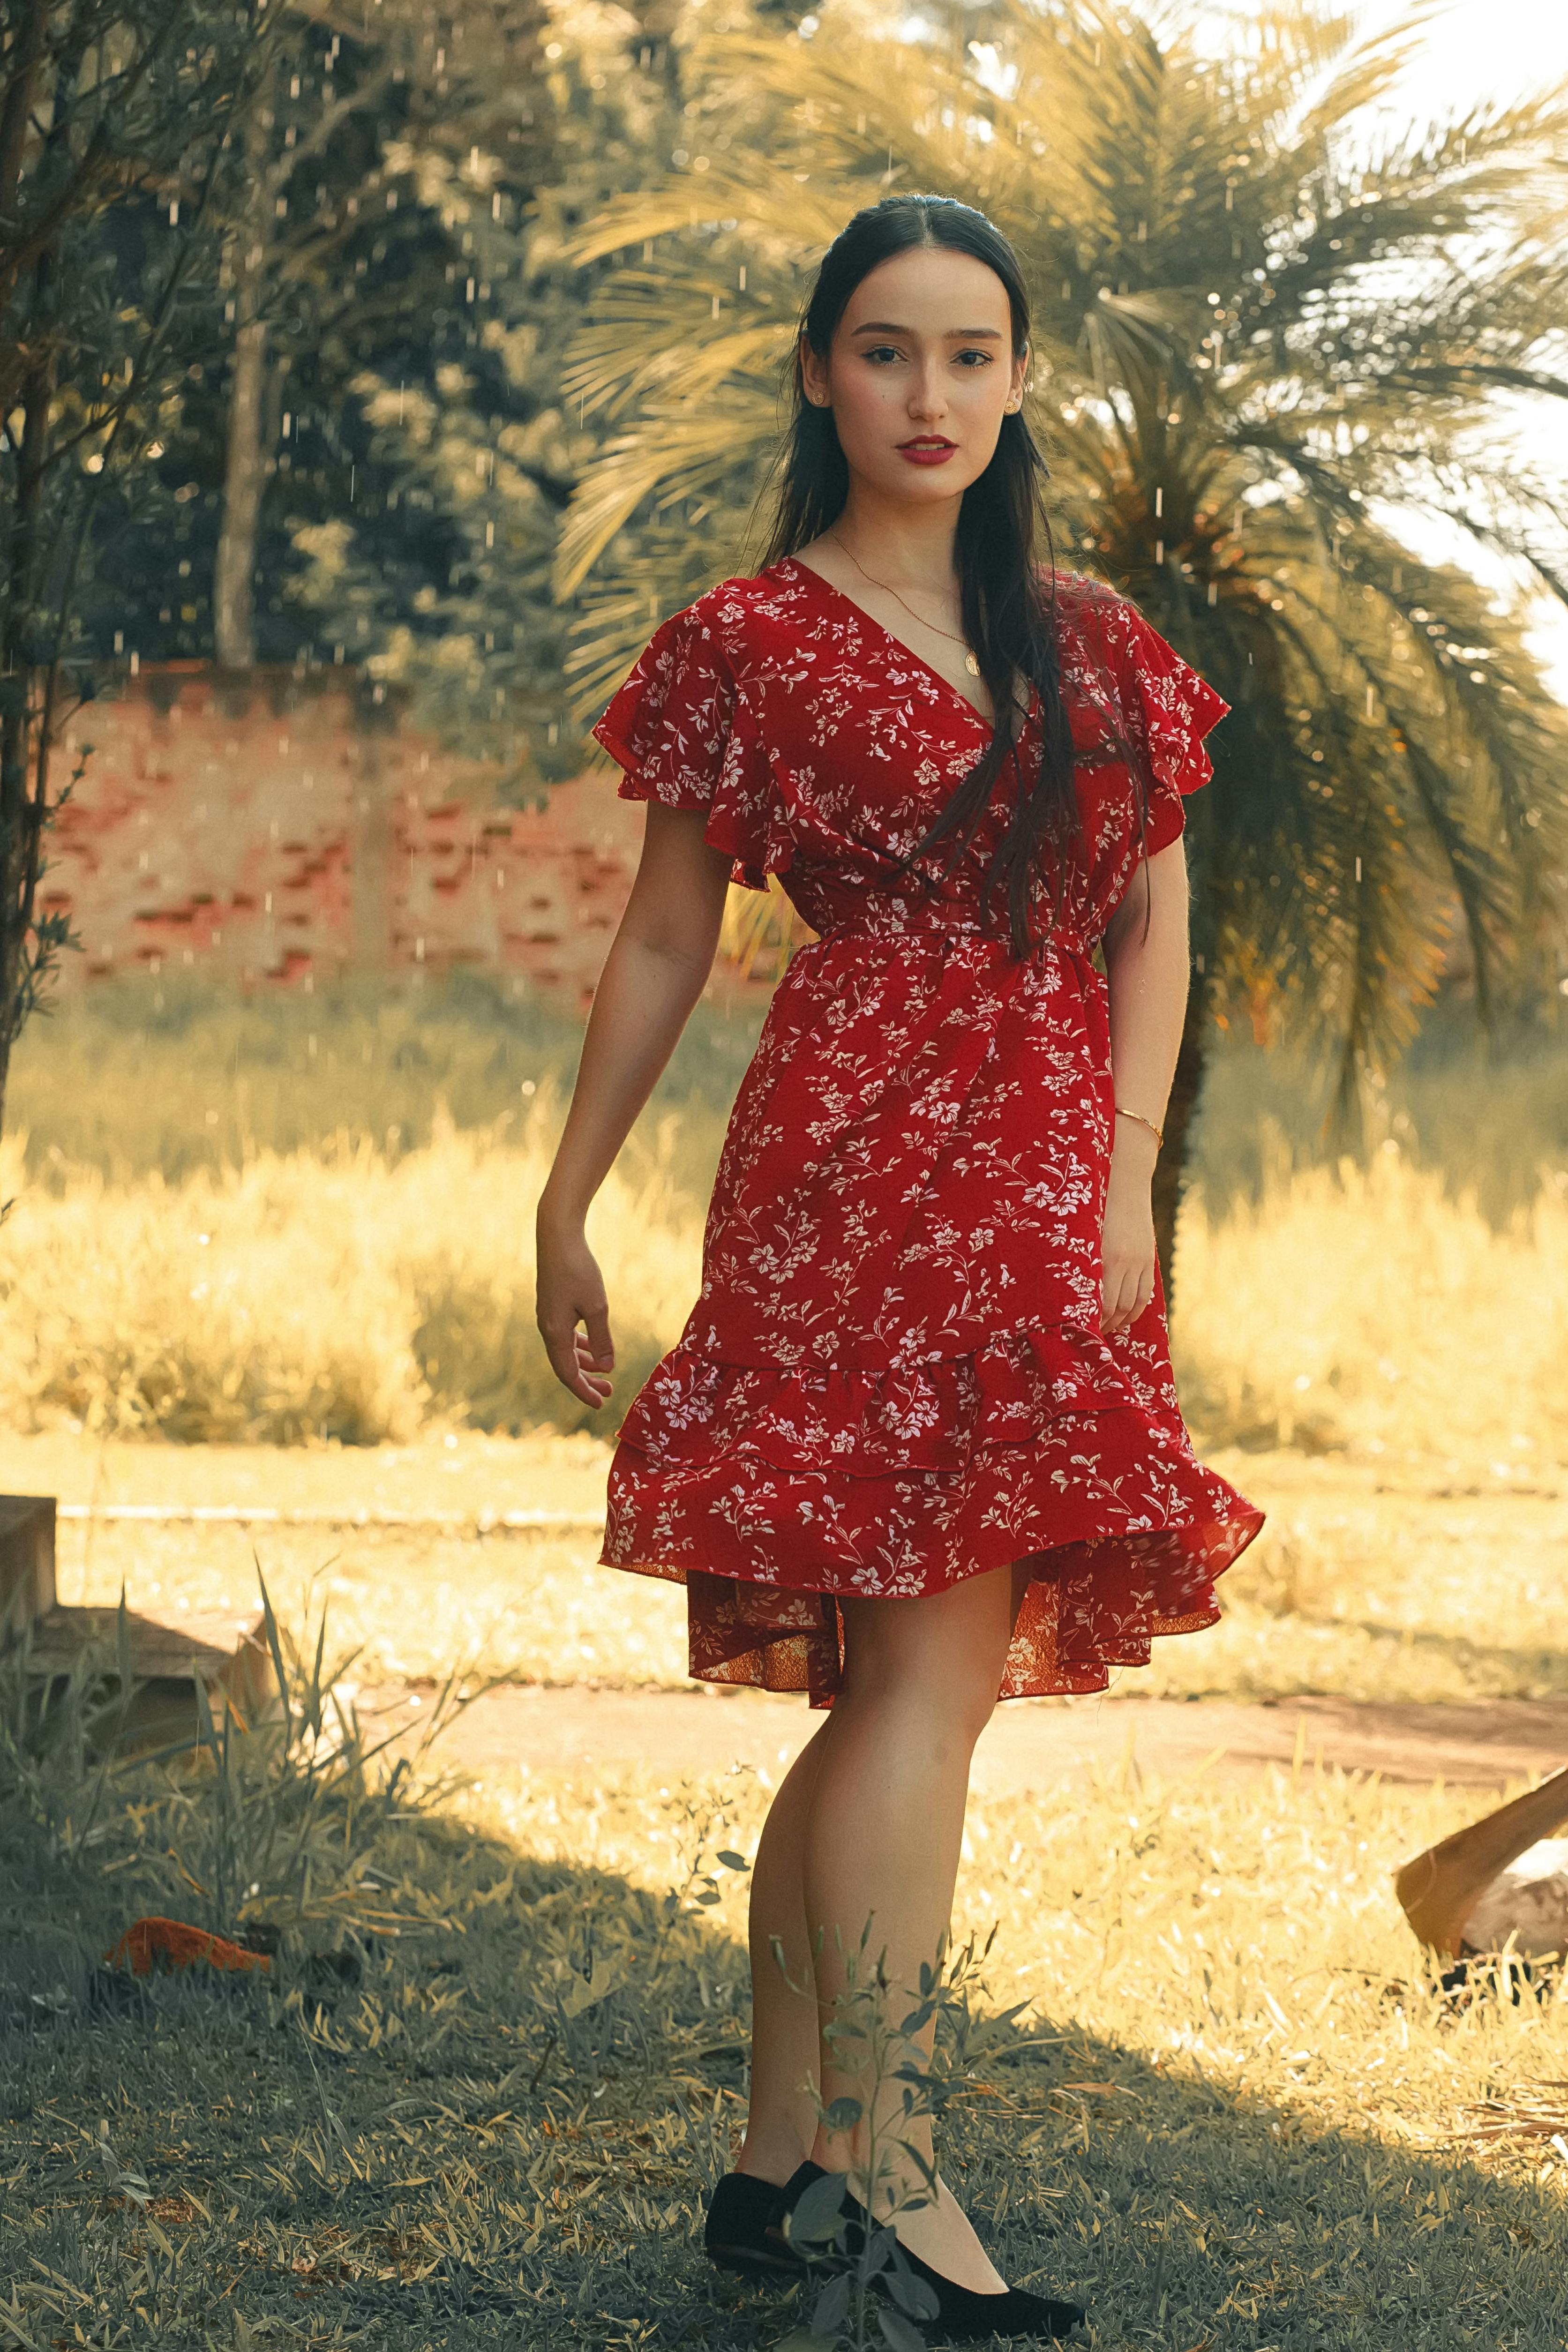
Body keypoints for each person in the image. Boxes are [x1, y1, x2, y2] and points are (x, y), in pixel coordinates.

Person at [535, 193, 1263, 2341]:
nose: (927, 393)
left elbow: (1157, 918)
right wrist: (567, 1197)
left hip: (1043, 1176)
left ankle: (787, 2174)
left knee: (907, 1693)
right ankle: (898, 2172)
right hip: (845, 1168)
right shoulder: (744, 640)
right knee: (915, 1692)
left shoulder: (1097, 637)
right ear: (817, 374)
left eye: (968, 353)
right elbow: (670, 931)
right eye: (884, 350)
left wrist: (1124, 1175)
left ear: (1021, 377)